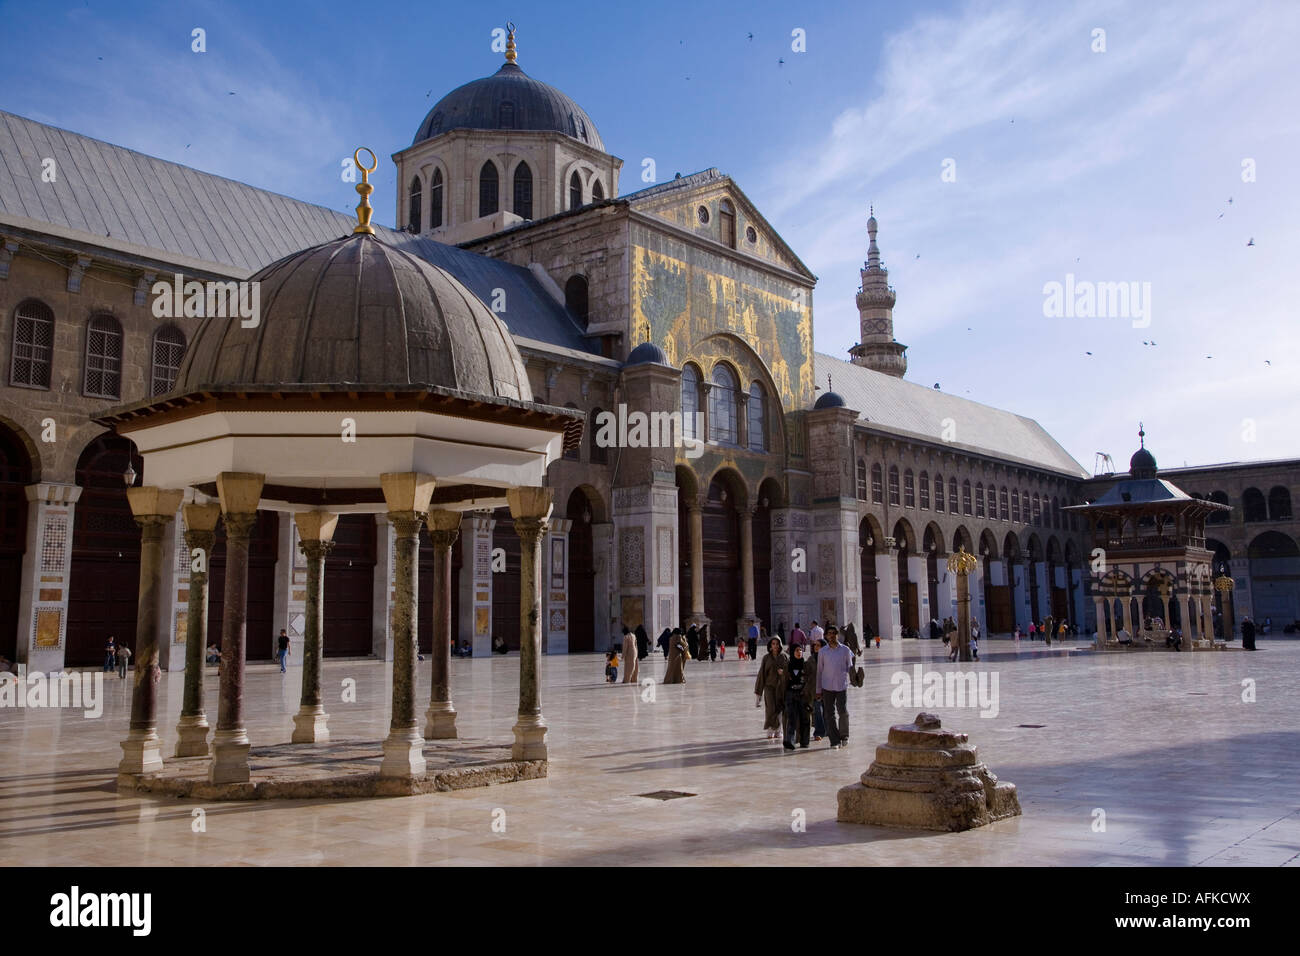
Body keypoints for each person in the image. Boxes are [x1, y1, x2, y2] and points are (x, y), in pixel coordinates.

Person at [817, 626, 853, 749]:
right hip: (827, 686)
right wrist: (818, 690)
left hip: (841, 685)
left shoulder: (845, 650)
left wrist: (855, 677)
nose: (831, 636)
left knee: (842, 711)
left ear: (838, 635)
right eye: (829, 633)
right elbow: (819, 671)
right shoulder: (823, 652)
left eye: (834, 633)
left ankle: (844, 735)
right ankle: (834, 740)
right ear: (826, 636)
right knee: (829, 714)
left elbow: (850, 667)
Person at [779, 643, 815, 750]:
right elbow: (784, 682)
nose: (799, 652)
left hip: (803, 694)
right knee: (791, 717)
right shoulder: (788, 665)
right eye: (796, 650)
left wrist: (808, 692)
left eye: (800, 650)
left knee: (805, 718)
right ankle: (790, 741)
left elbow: (810, 680)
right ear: (792, 652)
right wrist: (782, 696)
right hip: (791, 694)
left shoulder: (806, 665)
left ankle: (805, 741)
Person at [754, 638, 786, 739]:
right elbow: (761, 675)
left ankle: (778, 730)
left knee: (779, 708)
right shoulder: (766, 658)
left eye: (777, 644)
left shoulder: (784, 657)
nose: (775, 646)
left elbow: (789, 671)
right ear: (770, 645)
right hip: (769, 687)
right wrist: (758, 693)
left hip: (780, 687)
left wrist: (784, 672)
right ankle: (771, 728)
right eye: (773, 644)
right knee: (770, 709)